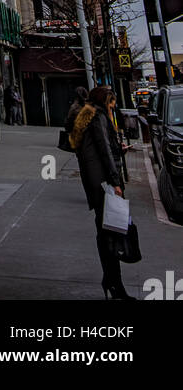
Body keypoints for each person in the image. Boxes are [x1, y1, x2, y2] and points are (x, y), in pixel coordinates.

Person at [69, 86, 135, 300]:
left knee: (106, 231)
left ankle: (112, 282)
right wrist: (116, 182)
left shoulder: (88, 118)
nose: (113, 108)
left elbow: (100, 149)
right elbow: (104, 151)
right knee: (110, 235)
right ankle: (114, 285)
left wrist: (117, 147)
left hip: (96, 182)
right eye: (112, 103)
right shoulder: (98, 118)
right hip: (104, 183)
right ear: (105, 101)